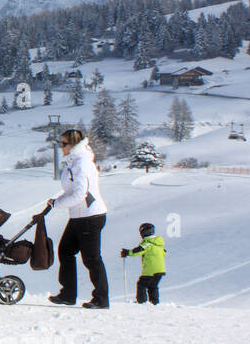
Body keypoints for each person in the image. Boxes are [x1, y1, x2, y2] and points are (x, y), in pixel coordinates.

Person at [43, 128, 109, 308]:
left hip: (90, 216)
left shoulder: (82, 163)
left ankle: (101, 299)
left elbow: (81, 194)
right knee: (65, 250)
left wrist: (57, 204)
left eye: (63, 144)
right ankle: (68, 294)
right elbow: (71, 191)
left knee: (92, 258)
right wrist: (56, 201)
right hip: (79, 215)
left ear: (72, 145)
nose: (61, 147)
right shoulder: (74, 162)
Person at [122, 222, 166, 305]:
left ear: (145, 232)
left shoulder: (147, 243)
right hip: (160, 270)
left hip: (150, 270)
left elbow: (139, 250)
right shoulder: (159, 244)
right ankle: (154, 302)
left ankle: (141, 301)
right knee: (153, 286)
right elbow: (164, 253)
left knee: (141, 284)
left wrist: (128, 252)